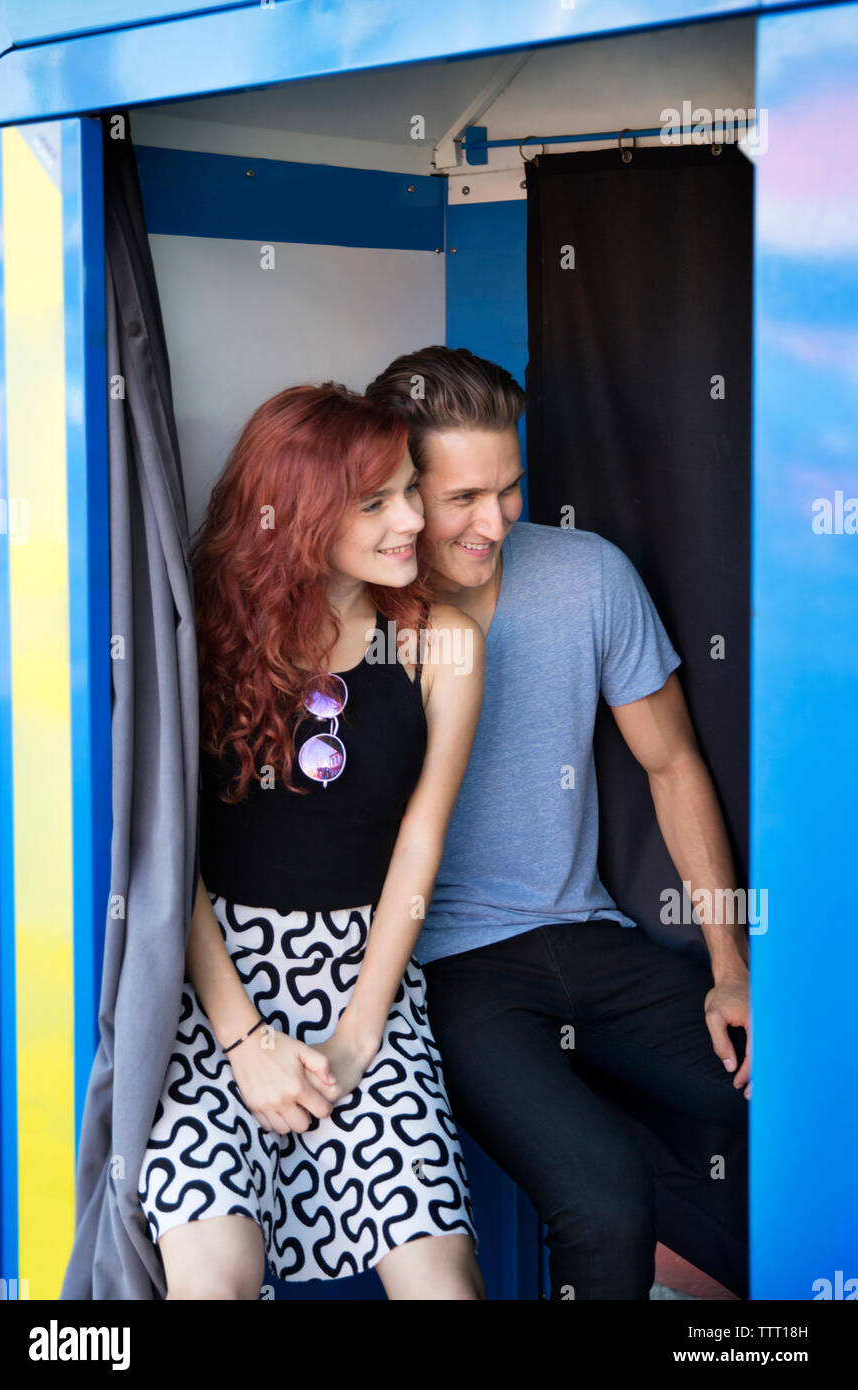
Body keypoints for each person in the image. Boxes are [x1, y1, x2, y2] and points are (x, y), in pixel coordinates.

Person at [364, 346, 751, 1300]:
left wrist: (728, 967)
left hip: (585, 936)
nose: (492, 522)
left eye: (509, 488)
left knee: (792, 1082)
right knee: (603, 1201)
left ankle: (706, 1284)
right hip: (446, 970)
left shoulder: (586, 574)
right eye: (461, 498)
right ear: (399, 487)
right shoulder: (358, 614)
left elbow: (670, 765)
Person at [138, 383, 487, 1300]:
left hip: (367, 975)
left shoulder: (440, 641)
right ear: (297, 515)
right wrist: (243, 1037)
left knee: (442, 1282)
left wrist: (363, 1029)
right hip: (208, 983)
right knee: (215, 1279)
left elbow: (421, 840)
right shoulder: (199, 636)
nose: (413, 519)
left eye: (410, 489)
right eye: (376, 502)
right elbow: (167, 852)